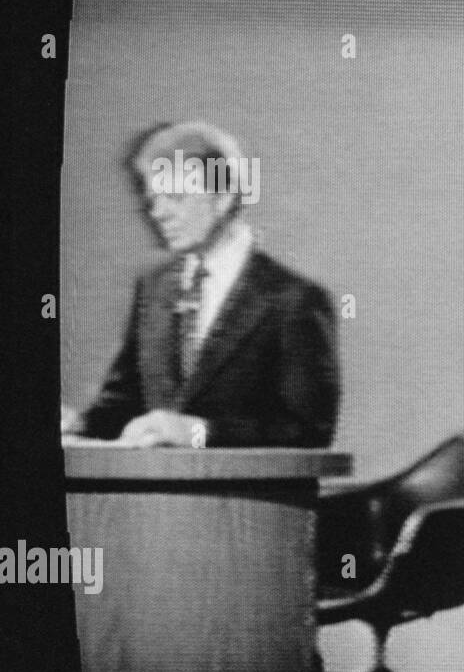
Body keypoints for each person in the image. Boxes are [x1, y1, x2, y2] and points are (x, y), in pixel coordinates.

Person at [61, 121, 340, 448]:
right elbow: (125, 404)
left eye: (175, 197)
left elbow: (308, 430)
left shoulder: (293, 300)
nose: (158, 213)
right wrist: (80, 423)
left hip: (242, 498)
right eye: (154, 199)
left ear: (222, 197)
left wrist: (197, 433)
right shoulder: (155, 288)